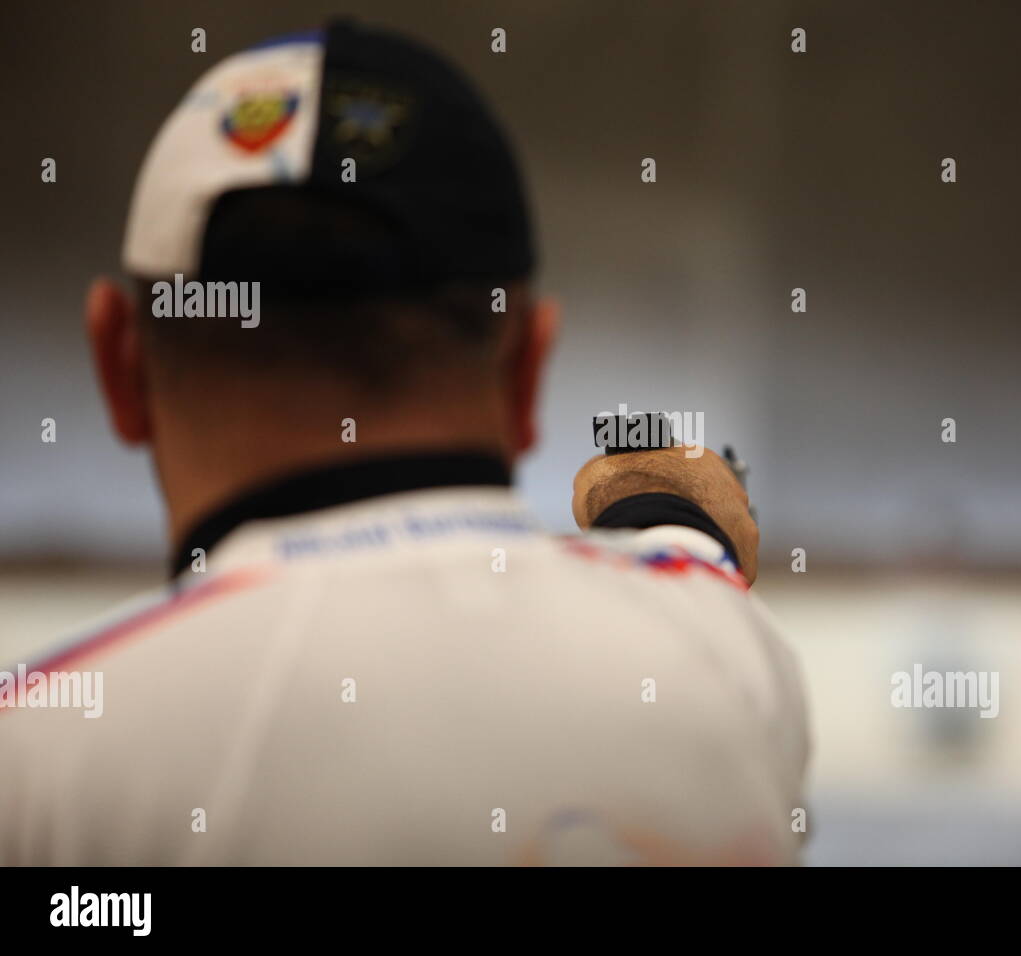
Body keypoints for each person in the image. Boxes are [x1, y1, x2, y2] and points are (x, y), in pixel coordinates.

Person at [0, 19, 808, 865]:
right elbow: (694, 552)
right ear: (528, 368)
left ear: (118, 365)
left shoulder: (44, 767)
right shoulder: (726, 661)